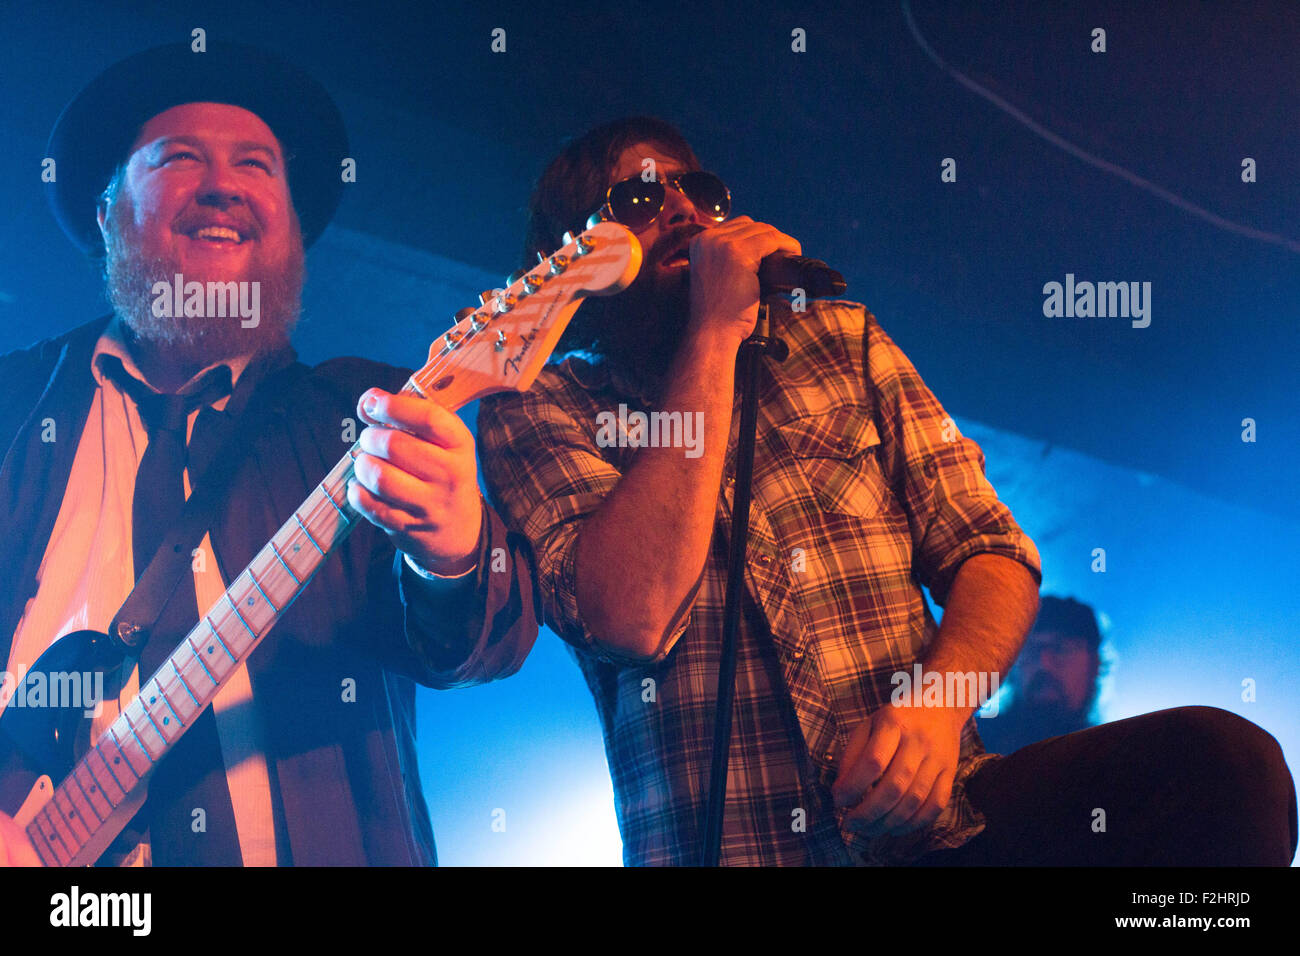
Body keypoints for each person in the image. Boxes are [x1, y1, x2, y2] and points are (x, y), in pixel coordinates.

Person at [478, 116, 1297, 866]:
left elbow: (991, 549)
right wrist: (715, 333)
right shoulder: (542, 408)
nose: (686, 210)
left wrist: (936, 707)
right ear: (574, 247)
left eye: (700, 191)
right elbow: (631, 613)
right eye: (643, 196)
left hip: (939, 834)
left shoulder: (843, 342)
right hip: (736, 850)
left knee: (1226, 769)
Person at [0, 41, 538, 866]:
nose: (225, 185)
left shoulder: (360, 416)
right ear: (105, 212)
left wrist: (456, 558)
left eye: (259, 165)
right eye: (181, 158)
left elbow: (485, 644)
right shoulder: (14, 403)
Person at [976, 596, 1104, 755]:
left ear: (1094, 664)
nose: (1044, 663)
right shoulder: (971, 745)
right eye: (1030, 649)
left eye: (1061, 649)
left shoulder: (1115, 756)